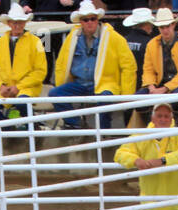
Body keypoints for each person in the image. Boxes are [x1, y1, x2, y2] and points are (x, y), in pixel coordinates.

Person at [50, 1, 136, 129]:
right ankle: (77, 125)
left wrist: (126, 94)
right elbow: (60, 64)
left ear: (97, 19)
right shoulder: (72, 37)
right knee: (55, 94)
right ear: (81, 22)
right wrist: (60, 83)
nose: (89, 22)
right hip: (79, 84)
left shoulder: (114, 37)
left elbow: (129, 66)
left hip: (105, 84)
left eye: (93, 19)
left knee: (104, 100)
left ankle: (104, 133)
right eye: (85, 19)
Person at [0, 3, 48, 121]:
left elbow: (40, 71)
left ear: (25, 23)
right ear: (9, 23)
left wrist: (18, 86)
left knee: (22, 103)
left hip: (27, 88)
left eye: (20, 22)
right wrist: (1, 86)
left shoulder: (36, 41)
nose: (17, 25)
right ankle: (9, 130)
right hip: (3, 89)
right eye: (14, 22)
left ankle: (31, 128)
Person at [141, 8, 178, 103]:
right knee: (137, 99)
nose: (165, 30)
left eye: (167, 26)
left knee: (177, 100)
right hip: (159, 84)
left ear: (173, 25)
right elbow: (148, 70)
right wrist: (151, 87)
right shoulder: (151, 44)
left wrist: (165, 89)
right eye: (161, 27)